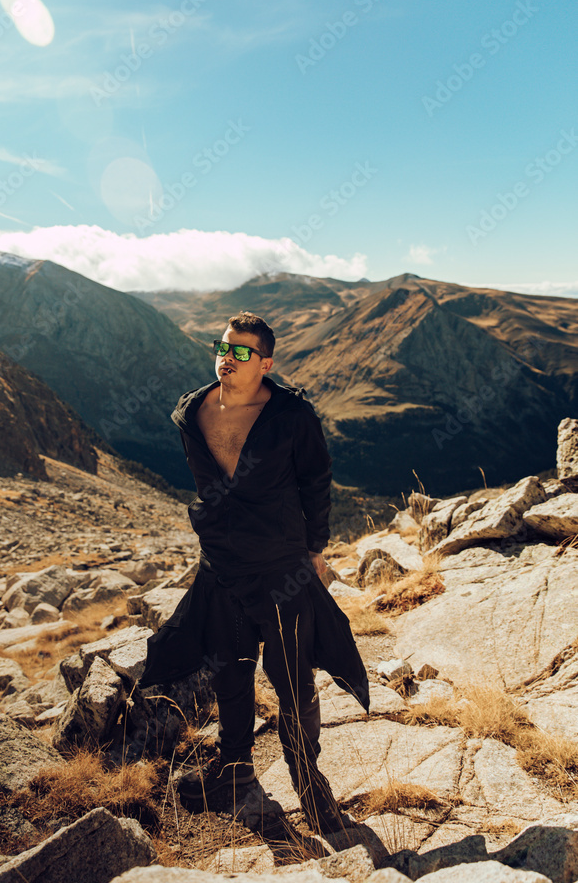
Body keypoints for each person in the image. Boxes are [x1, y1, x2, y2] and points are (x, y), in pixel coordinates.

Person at [138, 311, 369, 834]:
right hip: (221, 566)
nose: (227, 359)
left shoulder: (292, 416)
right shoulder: (192, 412)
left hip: (280, 566)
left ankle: (310, 787)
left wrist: (315, 550)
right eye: (222, 348)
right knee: (229, 671)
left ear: (266, 363)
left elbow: (317, 481)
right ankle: (235, 770)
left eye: (242, 352)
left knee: (293, 680)